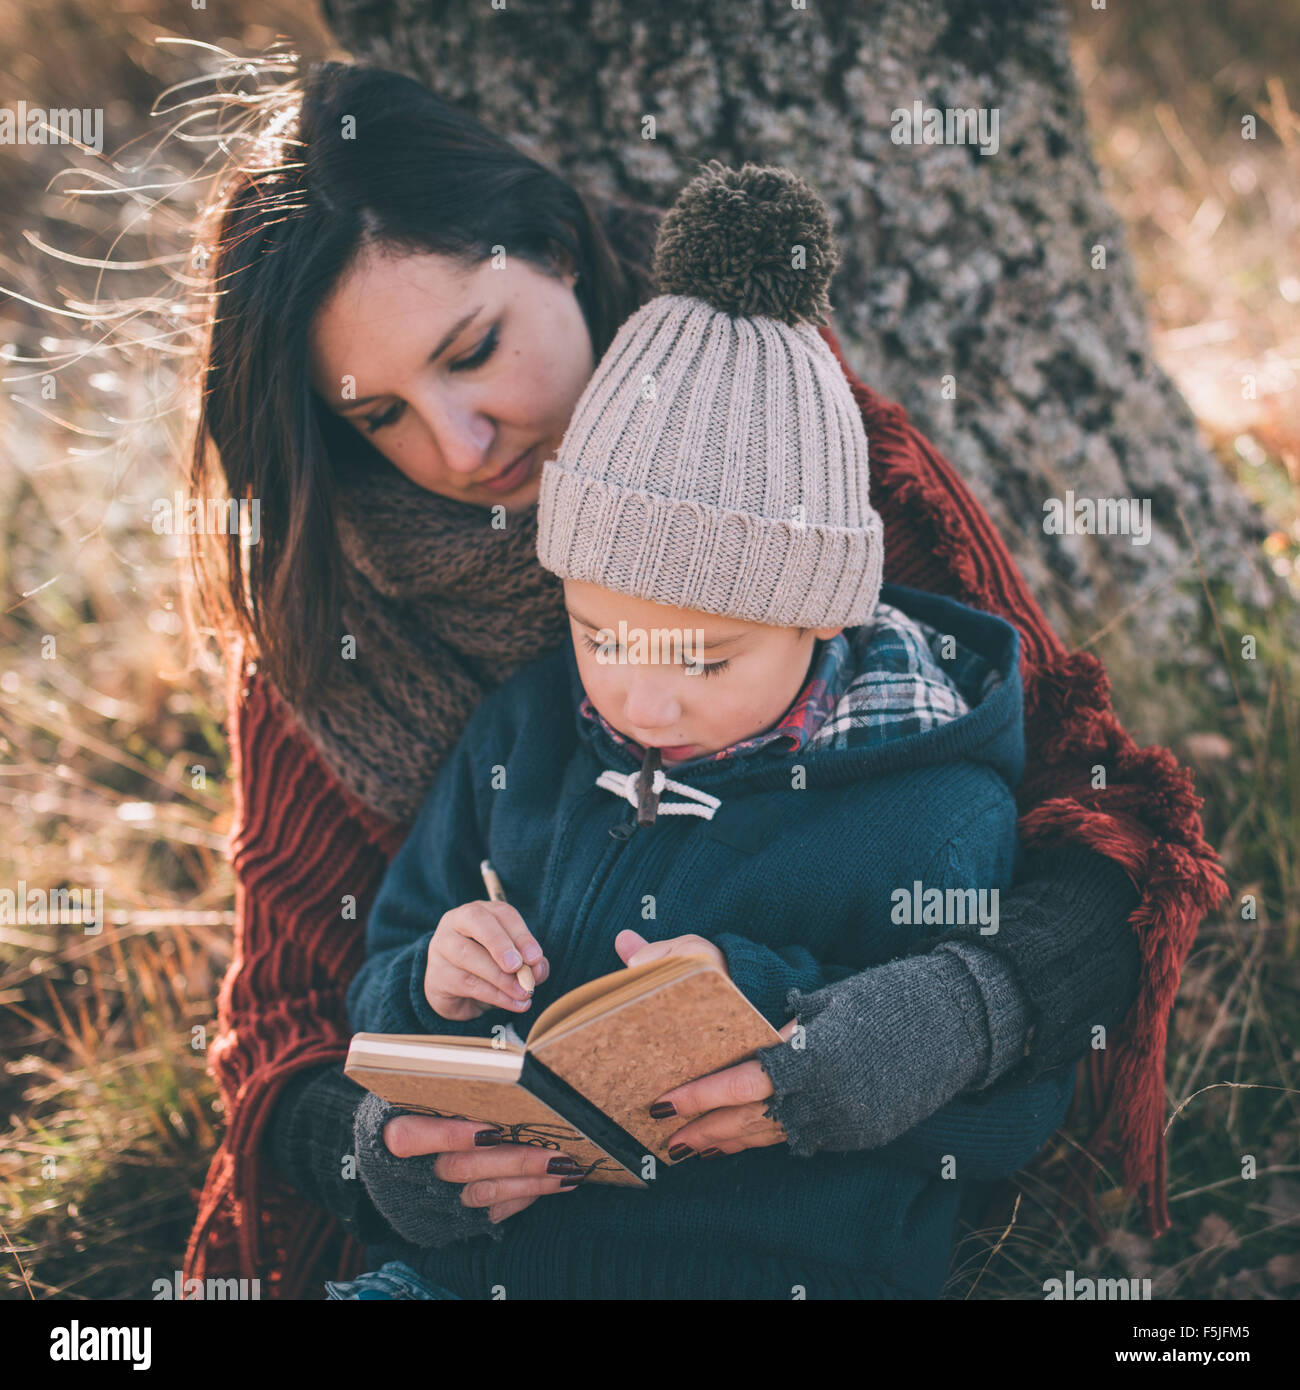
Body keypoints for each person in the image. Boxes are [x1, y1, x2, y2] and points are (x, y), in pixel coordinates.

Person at [181, 61, 1225, 1298]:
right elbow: (289, 1018)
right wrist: (378, 1158)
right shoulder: (337, 600)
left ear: (558, 247)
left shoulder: (807, 464)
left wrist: (949, 1018)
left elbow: (1104, 840)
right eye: (379, 417)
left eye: (473, 350)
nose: (459, 446)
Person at [326, 160, 1082, 1300]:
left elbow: (1008, 1107)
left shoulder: (931, 811)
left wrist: (796, 1036)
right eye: (598, 632)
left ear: (821, 615)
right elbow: (376, 977)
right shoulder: (523, 736)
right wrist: (427, 1003)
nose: (643, 699)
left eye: (707, 658)